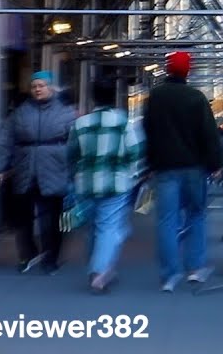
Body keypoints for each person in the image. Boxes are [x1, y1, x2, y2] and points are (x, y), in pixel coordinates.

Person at [141, 51, 223, 292]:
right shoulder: (196, 98)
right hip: (194, 168)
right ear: (187, 71)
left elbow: (149, 132)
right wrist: (215, 164)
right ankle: (196, 269)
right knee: (196, 215)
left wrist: (150, 165)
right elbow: (209, 134)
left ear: (168, 70)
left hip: (165, 168)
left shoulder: (156, 97)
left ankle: (169, 275)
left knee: (167, 220)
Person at [0, 71, 77, 274]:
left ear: (50, 87)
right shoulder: (20, 113)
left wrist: (74, 169)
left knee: (52, 220)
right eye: (34, 86)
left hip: (55, 170)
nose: (37, 89)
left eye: (41, 85)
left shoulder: (65, 112)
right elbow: (5, 141)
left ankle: (50, 258)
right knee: (23, 219)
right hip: (25, 171)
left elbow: (75, 142)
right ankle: (28, 255)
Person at [67, 77, 145, 293]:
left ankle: (95, 267)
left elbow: (71, 154)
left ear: (93, 97)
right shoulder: (123, 122)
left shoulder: (80, 123)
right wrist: (131, 174)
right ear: (114, 97)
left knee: (91, 227)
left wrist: (75, 174)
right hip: (115, 182)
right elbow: (135, 151)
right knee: (108, 226)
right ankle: (100, 272)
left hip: (86, 182)